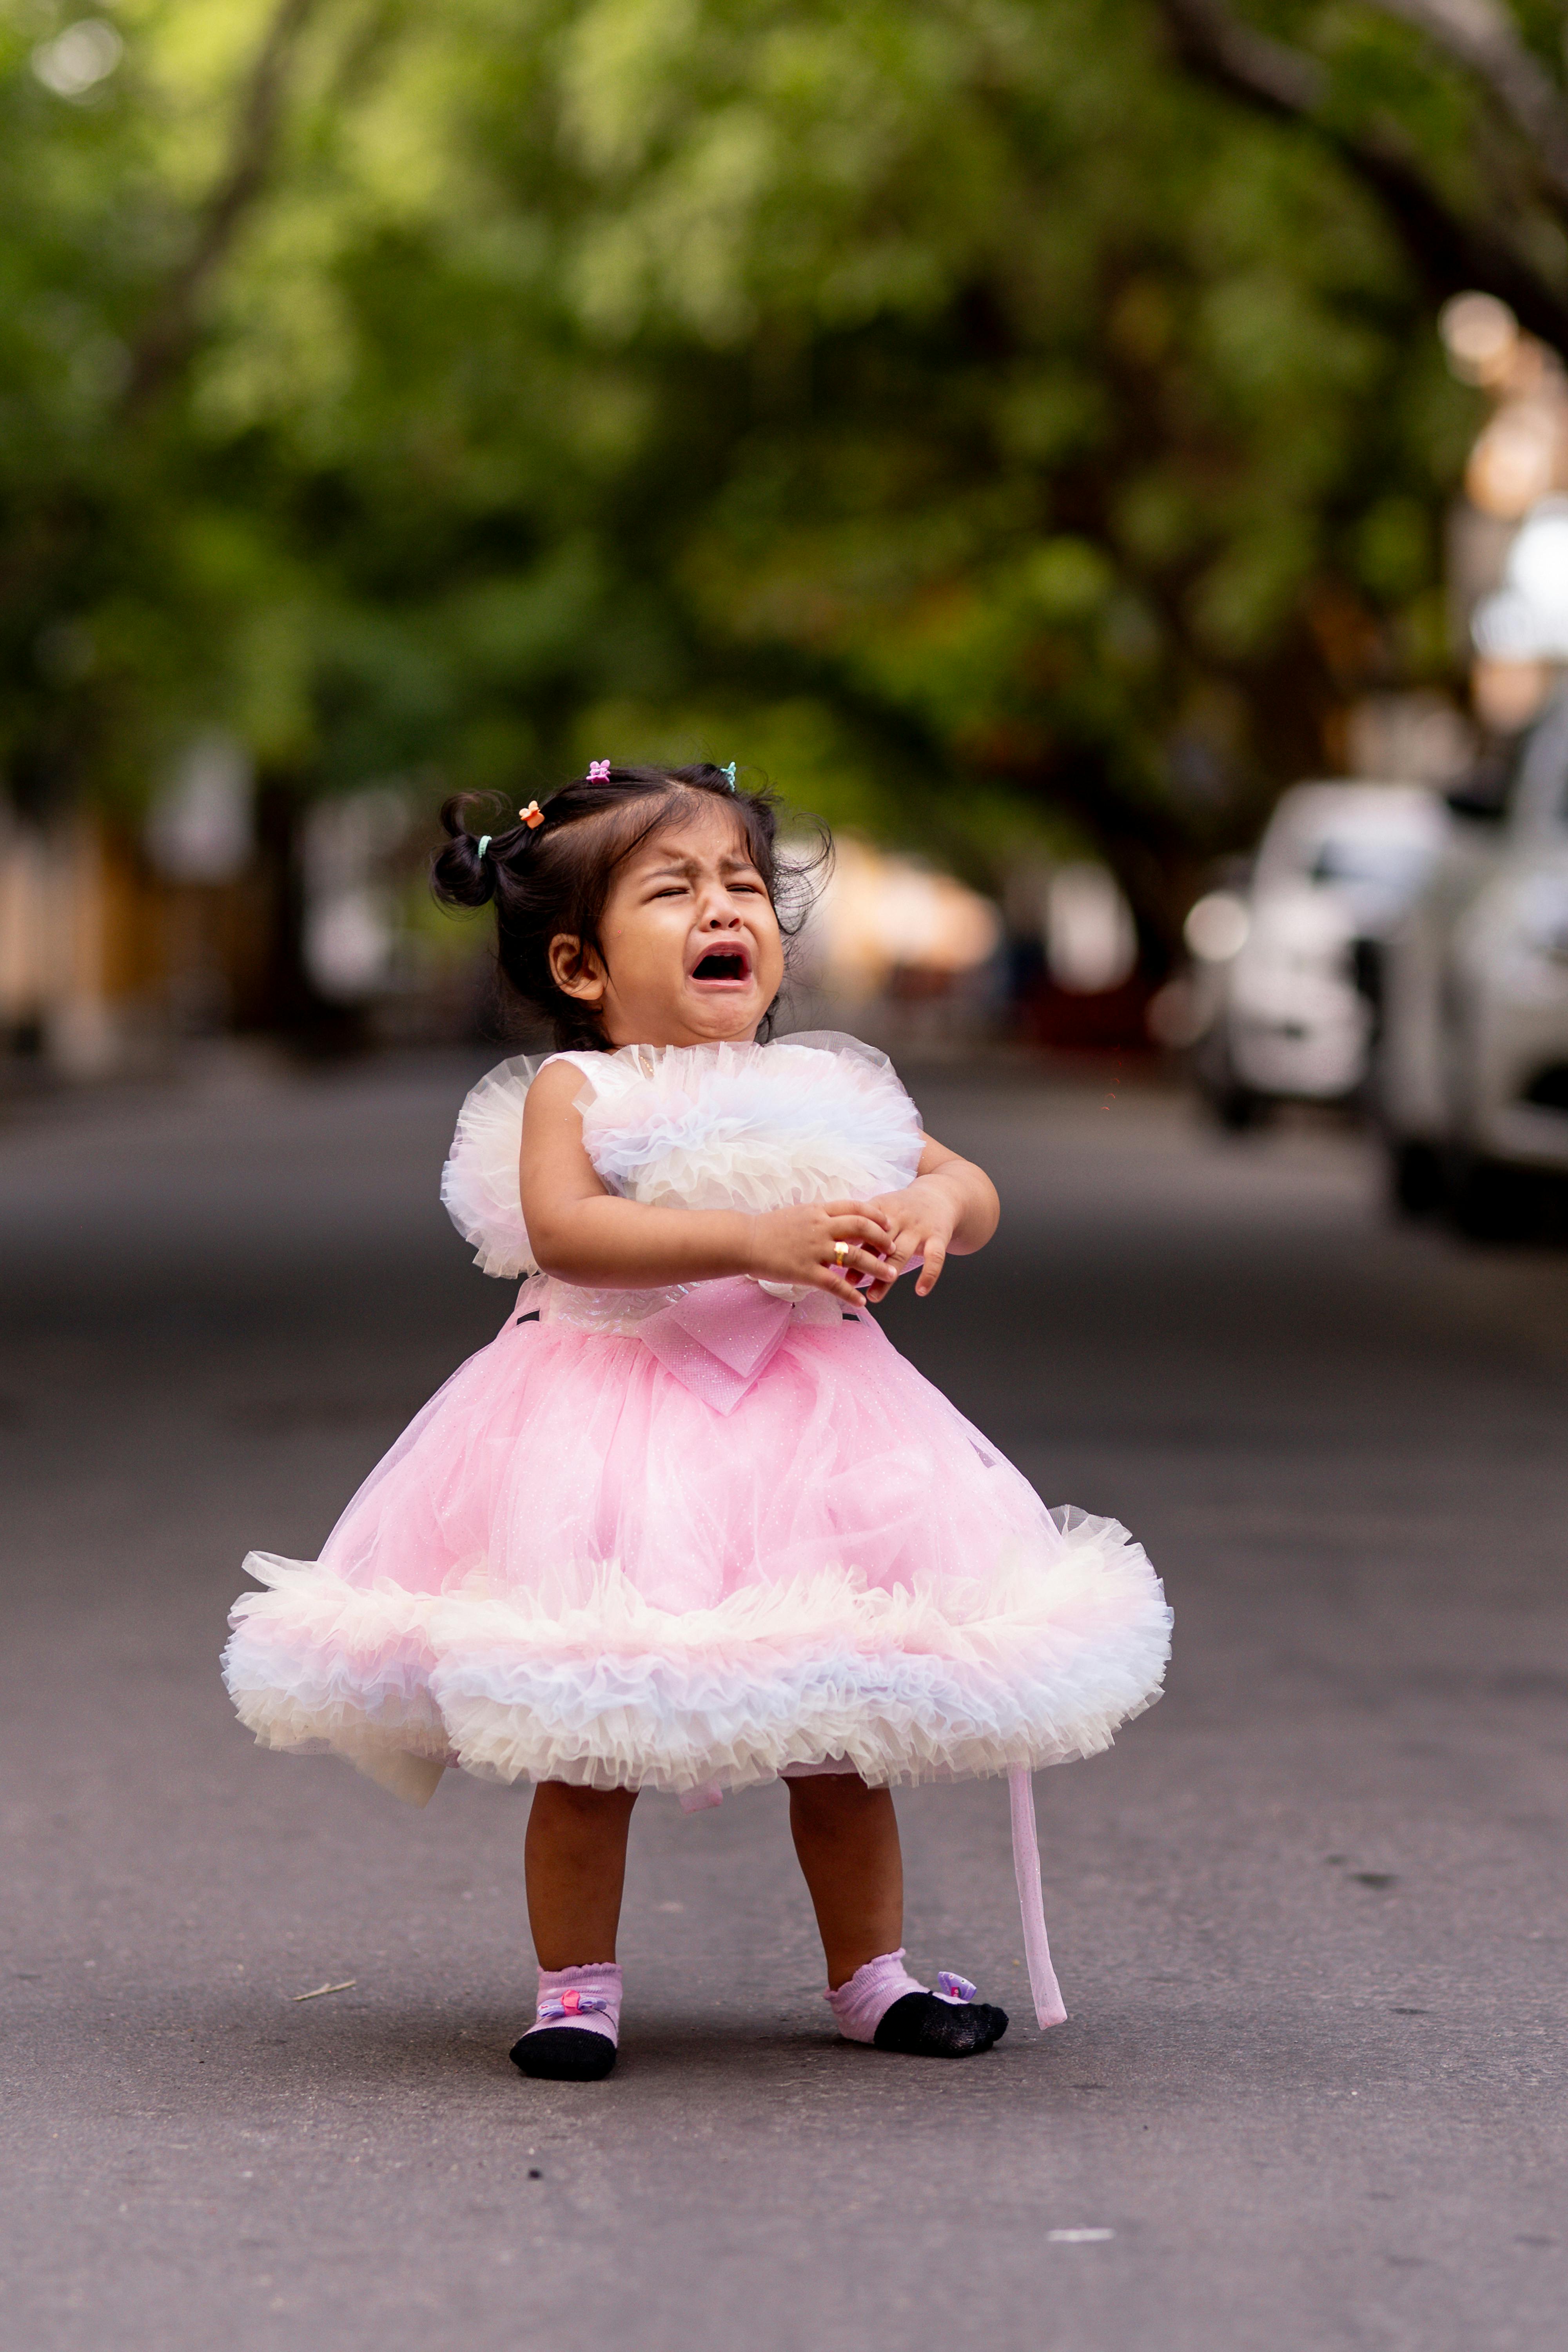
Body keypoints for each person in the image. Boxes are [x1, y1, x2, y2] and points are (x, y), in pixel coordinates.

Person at [223, 761, 1171, 2082]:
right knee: (589, 1735)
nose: (722, 906)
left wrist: (934, 1212)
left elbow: (965, 1182)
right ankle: (575, 1993)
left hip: (823, 1445)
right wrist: (750, 1237)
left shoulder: (833, 1085)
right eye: (671, 889)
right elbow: (572, 1230)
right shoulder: (581, 1095)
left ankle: (875, 1977)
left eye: (742, 884)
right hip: (606, 1434)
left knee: (842, 1730)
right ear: (583, 965)